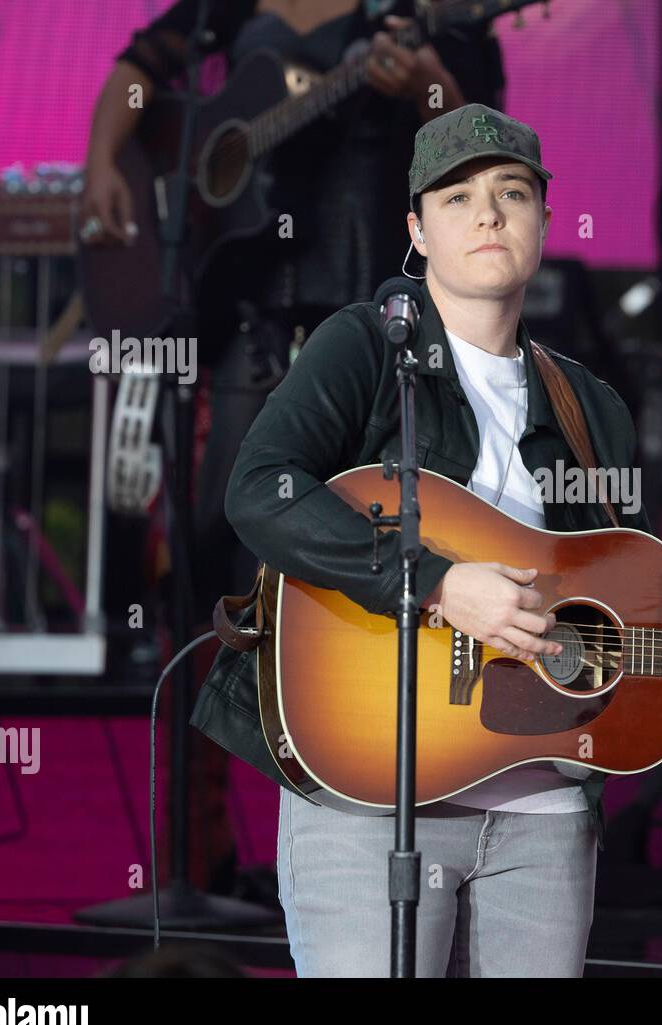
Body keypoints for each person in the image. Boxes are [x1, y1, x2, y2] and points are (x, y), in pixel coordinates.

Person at [218, 103, 662, 977]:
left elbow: (638, 609)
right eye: (457, 197)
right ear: (416, 231)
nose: (487, 215)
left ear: (544, 219)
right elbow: (260, 491)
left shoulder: (590, 406)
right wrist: (435, 582)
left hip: (544, 816)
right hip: (376, 795)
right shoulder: (363, 348)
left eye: (512, 193)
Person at [78, 0, 505, 892]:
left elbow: (480, 154)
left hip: (367, 329)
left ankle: (363, 839)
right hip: (241, 318)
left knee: (362, 570)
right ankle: (196, 858)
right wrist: (102, 161)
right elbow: (136, 67)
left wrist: (427, 86)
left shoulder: (424, 14)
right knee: (210, 566)